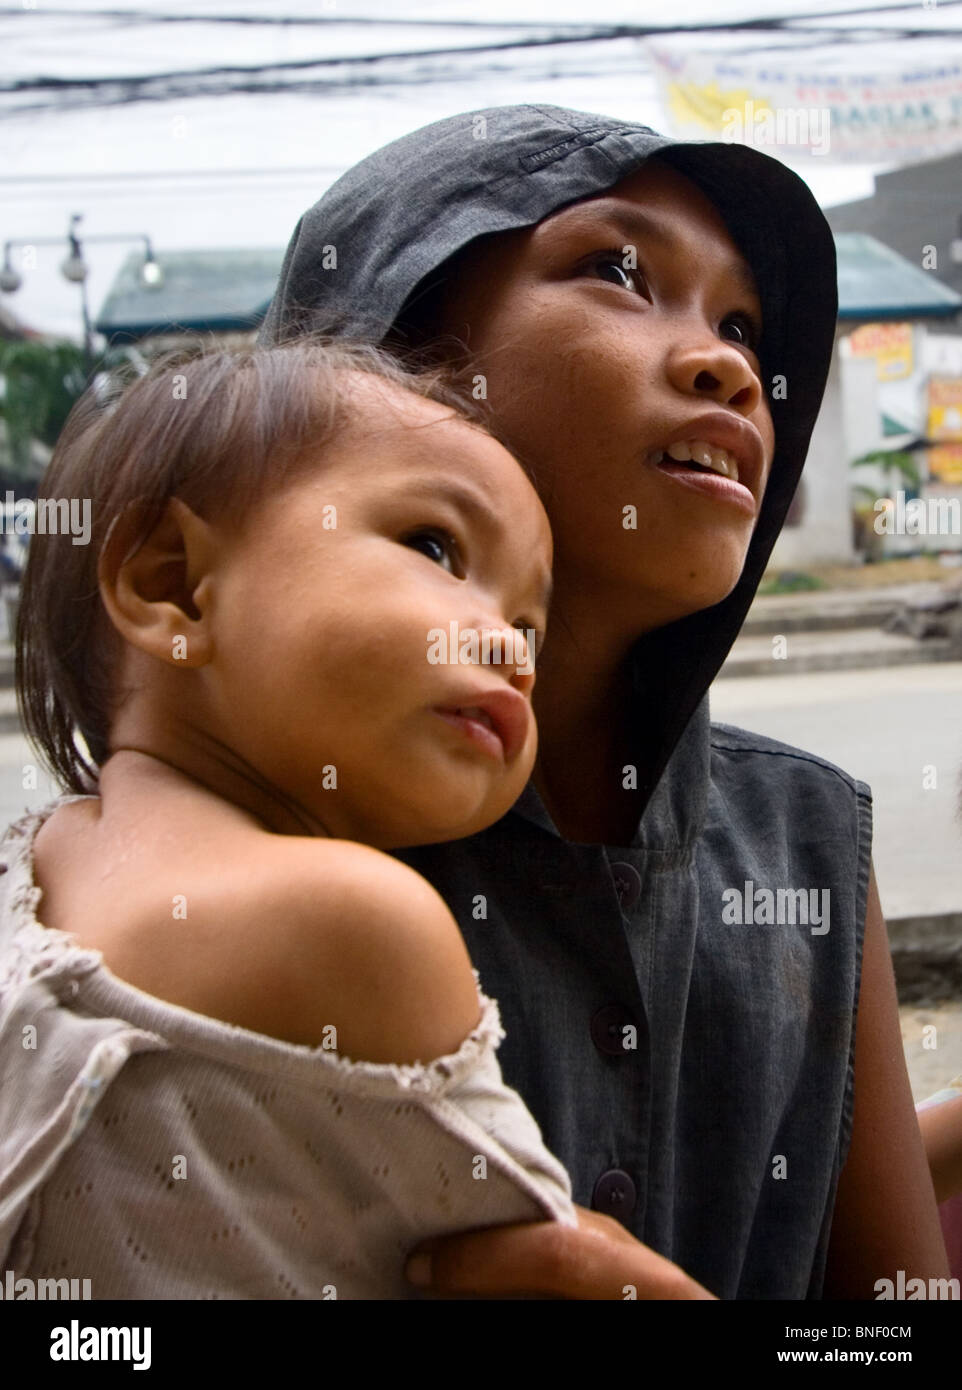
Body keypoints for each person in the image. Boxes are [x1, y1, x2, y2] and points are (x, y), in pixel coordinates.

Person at [259, 104, 953, 1299]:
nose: (727, 362)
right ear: (390, 368)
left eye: (741, 323)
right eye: (619, 274)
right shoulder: (260, 836)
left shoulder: (805, 836)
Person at [2, 338, 713, 1300]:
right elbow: (554, 1275)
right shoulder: (359, 919)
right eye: (435, 547)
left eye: (531, 626)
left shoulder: (32, 875)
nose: (508, 645)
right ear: (173, 584)